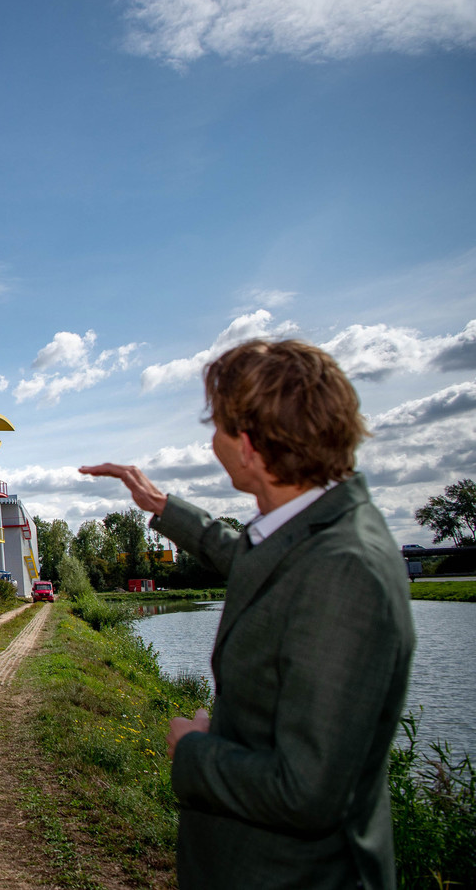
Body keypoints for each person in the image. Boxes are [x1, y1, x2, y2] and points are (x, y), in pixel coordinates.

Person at [81, 338, 414, 890]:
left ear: (250, 445)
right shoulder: (314, 536)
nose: (210, 440)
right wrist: (164, 508)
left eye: (215, 424)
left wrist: (193, 751)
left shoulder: (344, 570)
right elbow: (253, 562)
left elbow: (307, 792)